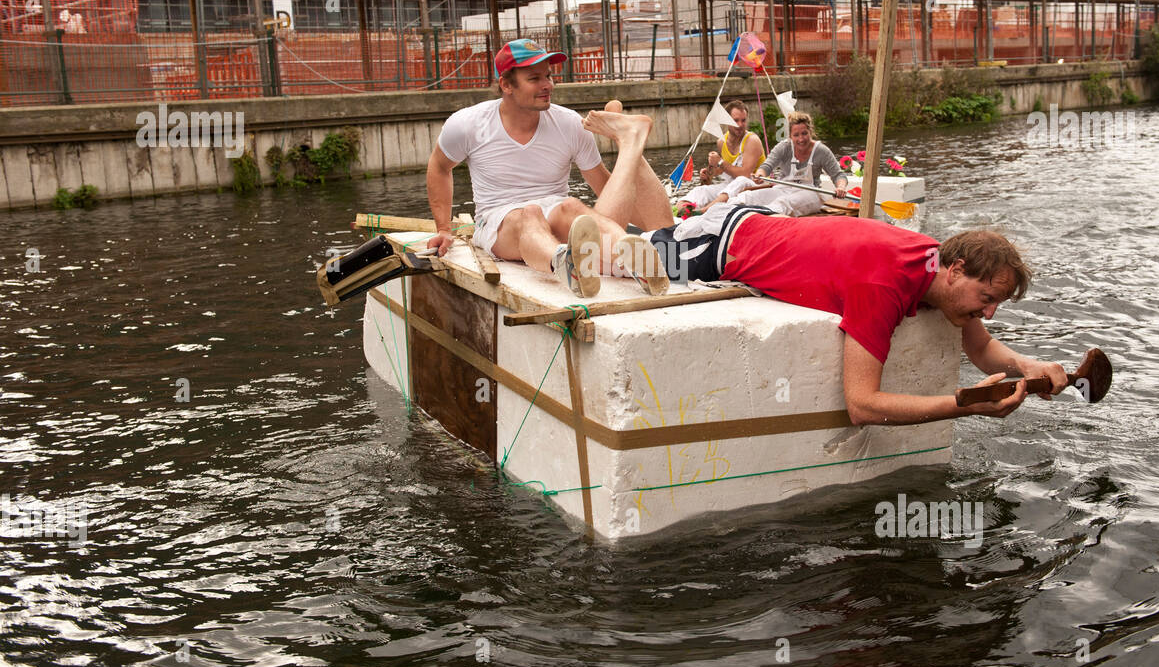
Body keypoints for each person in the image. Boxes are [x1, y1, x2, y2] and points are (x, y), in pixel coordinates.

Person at [646, 202, 1069, 423]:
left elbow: (982, 350)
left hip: (769, 224)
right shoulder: (882, 287)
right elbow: (862, 406)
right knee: (612, 257)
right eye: (987, 299)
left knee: (642, 232)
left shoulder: (936, 267)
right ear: (957, 271)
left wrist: (1028, 366)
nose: (990, 314)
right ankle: (611, 171)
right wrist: (965, 407)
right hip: (726, 243)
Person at [426, 39, 673, 297]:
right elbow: (439, 167)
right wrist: (443, 229)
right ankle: (564, 264)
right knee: (529, 214)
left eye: (549, 76)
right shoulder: (467, 124)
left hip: (555, 209)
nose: (547, 85)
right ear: (506, 85)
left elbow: (605, 187)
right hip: (499, 219)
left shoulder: (570, 124)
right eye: (534, 78)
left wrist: (656, 225)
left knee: (573, 207)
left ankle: (632, 254)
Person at [698, 112, 849, 217]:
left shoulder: (821, 150)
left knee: (783, 203)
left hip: (811, 193)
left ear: (810, 132)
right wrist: (760, 175)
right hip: (783, 187)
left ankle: (757, 221)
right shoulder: (784, 147)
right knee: (749, 197)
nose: (801, 139)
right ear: (790, 135)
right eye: (796, 135)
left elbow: (838, 175)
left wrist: (840, 187)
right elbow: (767, 166)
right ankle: (717, 214)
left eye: (804, 134)